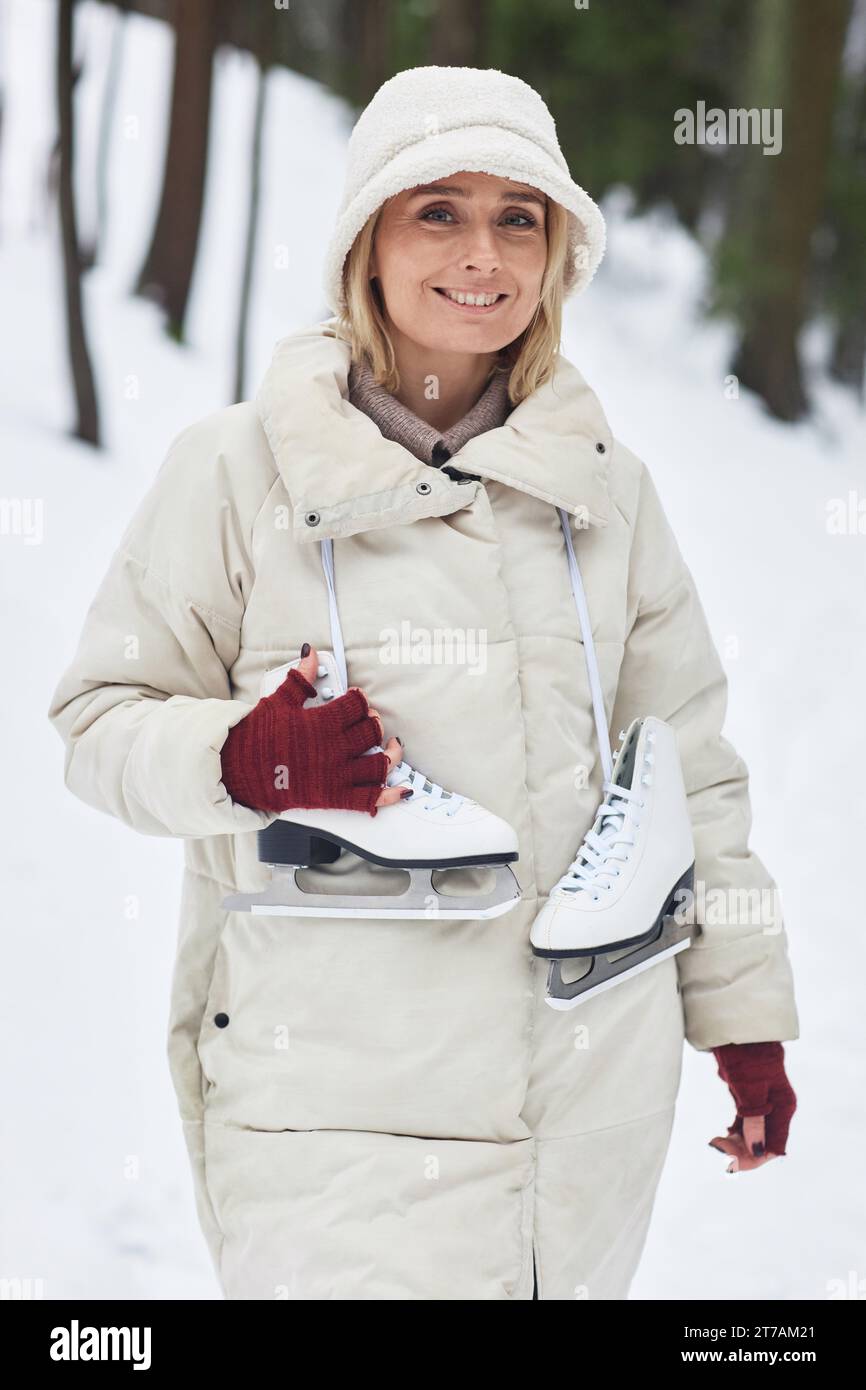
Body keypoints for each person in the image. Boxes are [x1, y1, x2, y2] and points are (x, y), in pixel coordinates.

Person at [47, 65, 799, 1301]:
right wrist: (242, 757)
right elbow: (97, 723)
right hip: (332, 1127)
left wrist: (739, 1017)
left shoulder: (604, 490)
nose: (481, 254)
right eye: (436, 210)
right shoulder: (236, 472)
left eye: (519, 217)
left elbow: (690, 768)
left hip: (585, 1127)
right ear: (367, 240)